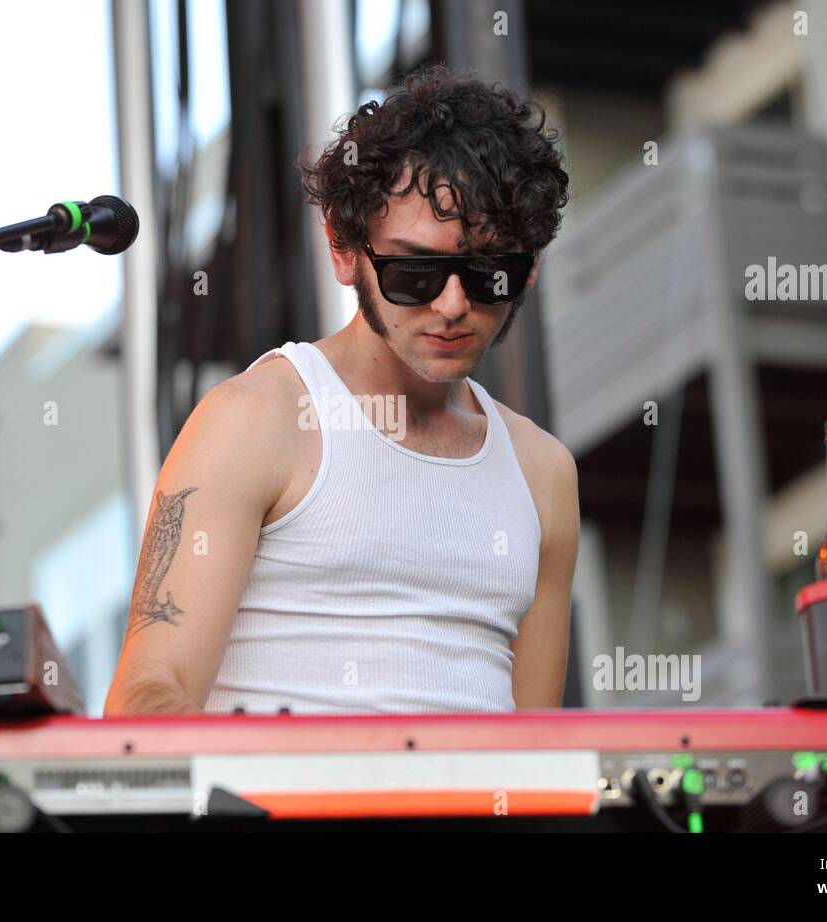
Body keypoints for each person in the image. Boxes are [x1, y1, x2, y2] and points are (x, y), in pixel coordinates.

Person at [105, 63, 577, 715]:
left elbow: (535, 757)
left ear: (529, 270)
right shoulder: (257, 419)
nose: (451, 303)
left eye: (488, 272)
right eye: (416, 270)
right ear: (343, 248)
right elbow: (149, 699)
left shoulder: (544, 472)